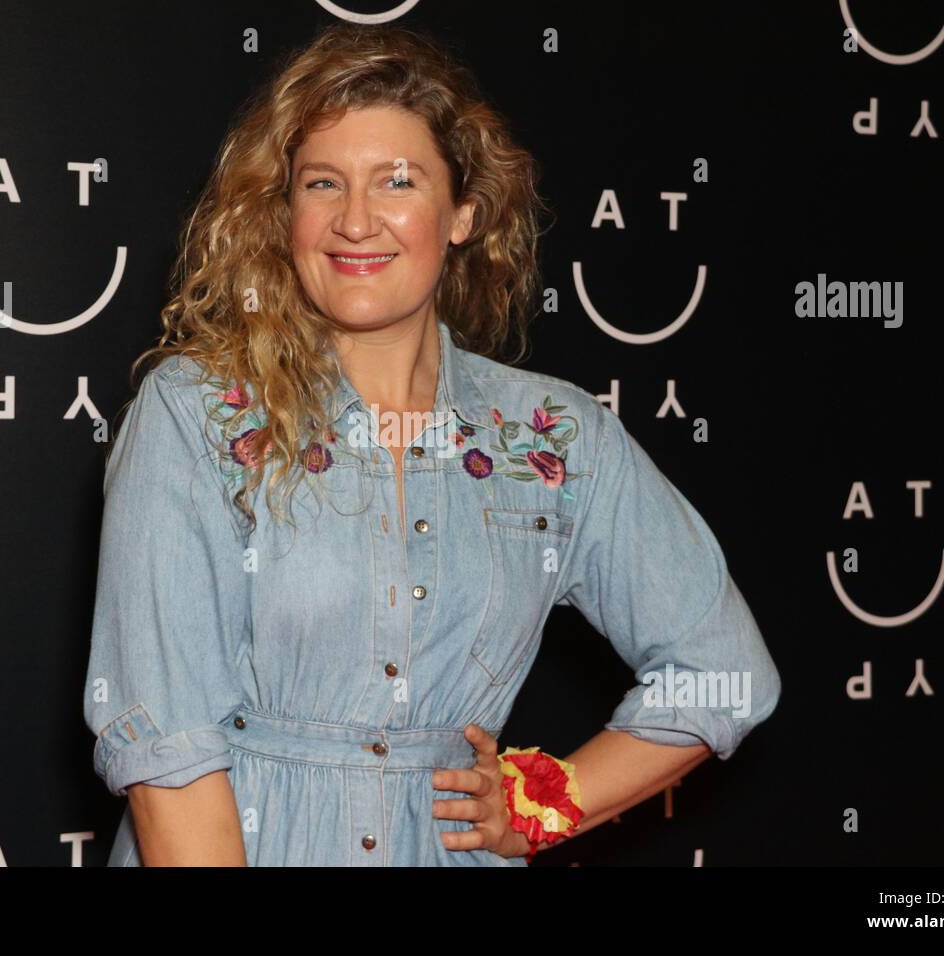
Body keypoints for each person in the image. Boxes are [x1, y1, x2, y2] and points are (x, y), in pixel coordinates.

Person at [82, 23, 781, 867]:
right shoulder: (198, 415)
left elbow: (725, 673)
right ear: (284, 213)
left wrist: (539, 808)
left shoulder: (552, 437)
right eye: (323, 184)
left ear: (462, 214)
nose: (355, 221)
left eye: (398, 182)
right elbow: (169, 761)